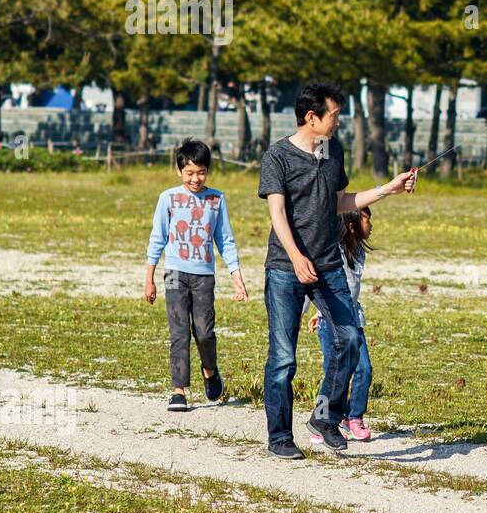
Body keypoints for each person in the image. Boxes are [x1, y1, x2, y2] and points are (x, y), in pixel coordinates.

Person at [258, 82, 417, 460]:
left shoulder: (334, 151)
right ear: (312, 118)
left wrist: (387, 190)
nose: (338, 122)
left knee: (350, 339)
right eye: (334, 115)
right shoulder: (277, 156)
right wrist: (296, 257)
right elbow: (277, 212)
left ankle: (325, 418)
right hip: (286, 267)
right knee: (284, 358)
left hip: (328, 264)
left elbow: (341, 201)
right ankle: (279, 437)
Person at [144, 139, 248, 411]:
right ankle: (179, 390)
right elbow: (157, 239)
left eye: (201, 172)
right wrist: (149, 278)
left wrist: (236, 276)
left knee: (204, 332)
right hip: (175, 274)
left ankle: (210, 370)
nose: (195, 178)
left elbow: (225, 240)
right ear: (179, 171)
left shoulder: (216, 199)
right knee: (179, 333)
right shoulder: (167, 198)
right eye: (189, 173)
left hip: (204, 277)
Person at [306, 206, 376, 443]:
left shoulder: (359, 252)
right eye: (367, 221)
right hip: (330, 320)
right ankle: (323, 419)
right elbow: (317, 284)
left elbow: (352, 290)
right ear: (351, 225)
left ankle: (353, 417)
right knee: (332, 373)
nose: (371, 225)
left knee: (364, 369)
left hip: (353, 319)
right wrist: (314, 311)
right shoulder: (333, 253)